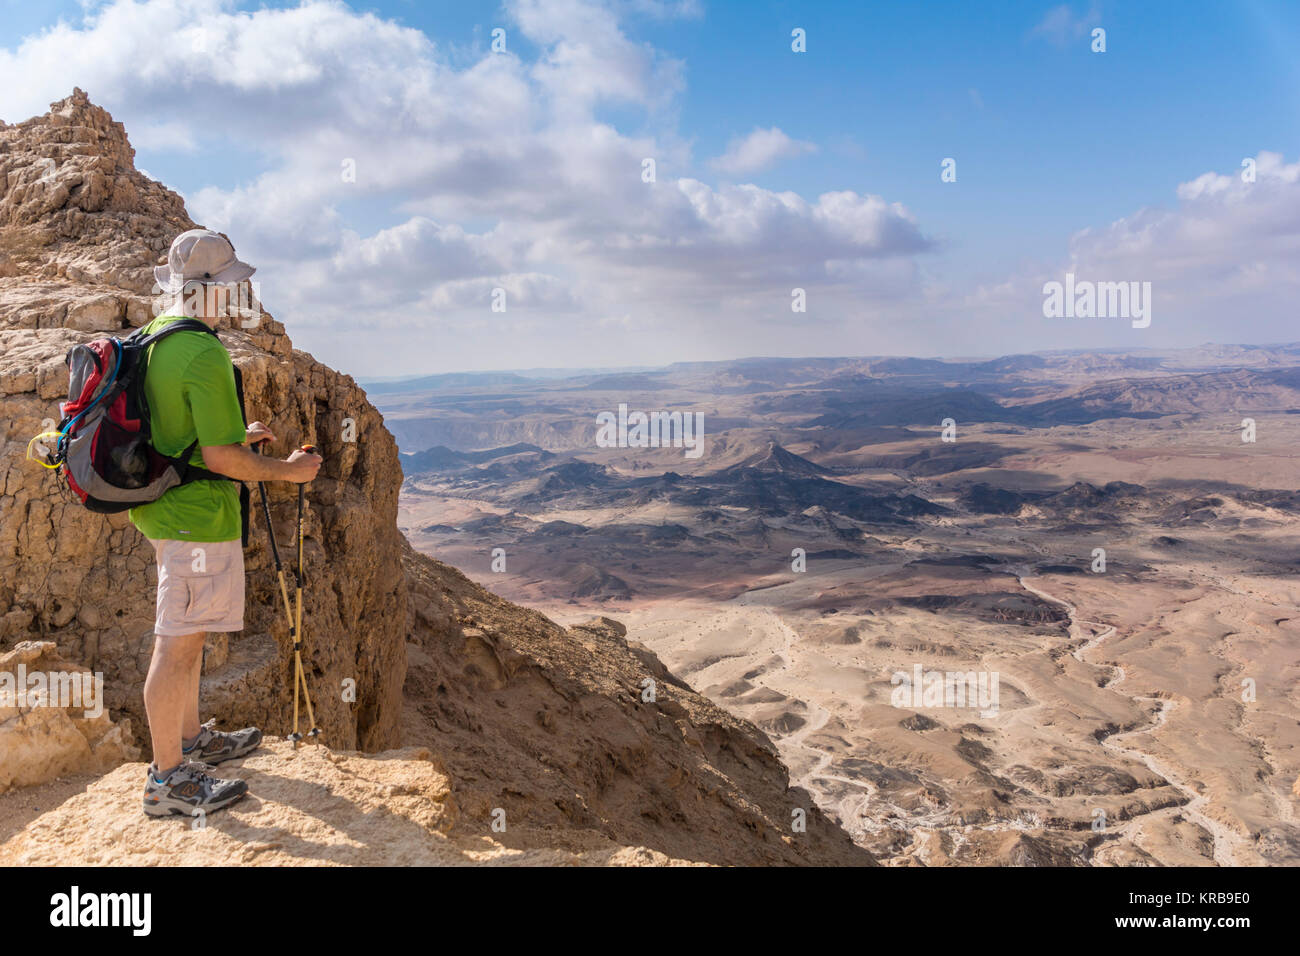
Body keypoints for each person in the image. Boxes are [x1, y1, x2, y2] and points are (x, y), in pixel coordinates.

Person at [131, 229, 321, 818]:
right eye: (233, 285)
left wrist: (238, 435)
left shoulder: (157, 339)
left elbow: (180, 432)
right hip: (195, 520)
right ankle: (167, 780)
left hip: (166, 508)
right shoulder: (205, 351)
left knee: (189, 635)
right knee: (179, 646)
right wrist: (289, 472)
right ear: (207, 291)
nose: (240, 295)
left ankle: (190, 742)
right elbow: (222, 462)